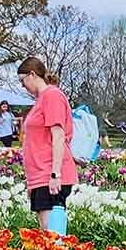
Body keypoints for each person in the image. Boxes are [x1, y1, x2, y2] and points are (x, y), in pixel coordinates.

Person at [17, 57, 78, 230]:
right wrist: (31, 183)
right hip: (39, 174)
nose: (23, 86)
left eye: (23, 81)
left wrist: (55, 175)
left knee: (52, 235)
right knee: (47, 234)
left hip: (50, 173)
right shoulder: (41, 99)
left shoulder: (52, 96)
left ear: (32, 74)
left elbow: (58, 135)